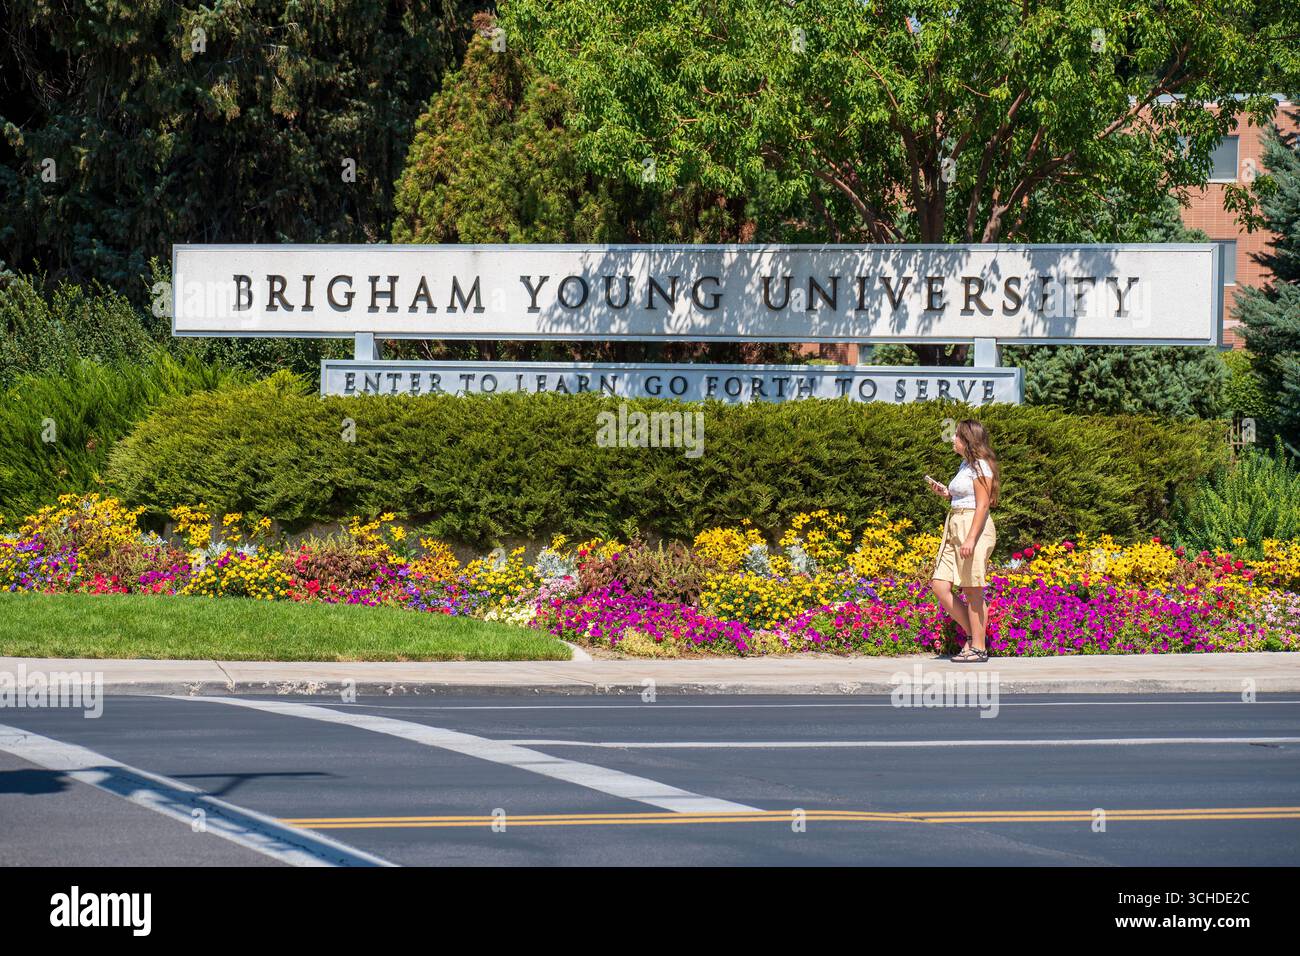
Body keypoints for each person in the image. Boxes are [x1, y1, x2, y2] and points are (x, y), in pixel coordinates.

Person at [925, 419, 1000, 662]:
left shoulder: (981, 467)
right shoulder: (965, 465)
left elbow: (983, 505)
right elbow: (965, 496)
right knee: (939, 584)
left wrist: (970, 538)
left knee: (972, 589)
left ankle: (978, 647)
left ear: (968, 440)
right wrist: (947, 493)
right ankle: (973, 636)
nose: (953, 440)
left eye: (957, 436)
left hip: (972, 527)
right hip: (955, 523)